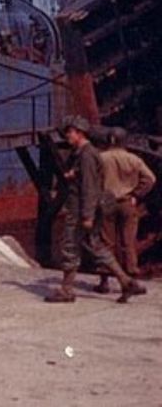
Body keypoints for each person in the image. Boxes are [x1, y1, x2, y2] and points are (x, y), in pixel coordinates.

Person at [45, 116, 147, 304]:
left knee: (70, 247)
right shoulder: (84, 154)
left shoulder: (86, 155)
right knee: (95, 246)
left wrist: (87, 216)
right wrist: (72, 175)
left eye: (70, 132)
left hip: (80, 210)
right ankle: (126, 282)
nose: (67, 135)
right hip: (83, 208)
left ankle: (67, 290)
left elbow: (90, 187)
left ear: (79, 133)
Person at [93, 126, 156, 294]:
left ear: (110, 140)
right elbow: (150, 178)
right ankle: (131, 279)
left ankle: (104, 281)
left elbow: (90, 180)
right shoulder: (133, 159)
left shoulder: (100, 158)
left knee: (106, 242)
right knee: (128, 242)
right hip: (128, 203)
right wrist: (137, 194)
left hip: (106, 202)